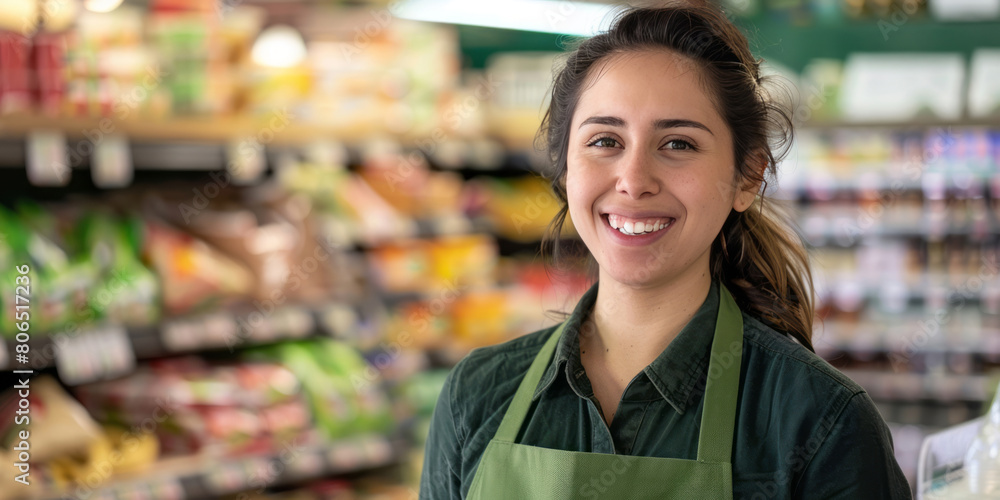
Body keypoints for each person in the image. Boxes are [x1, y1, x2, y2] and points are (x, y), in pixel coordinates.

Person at [419, 2, 911, 499]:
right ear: (566, 171)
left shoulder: (821, 424)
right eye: (605, 140)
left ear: (748, 177)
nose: (633, 182)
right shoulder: (477, 397)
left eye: (678, 144)